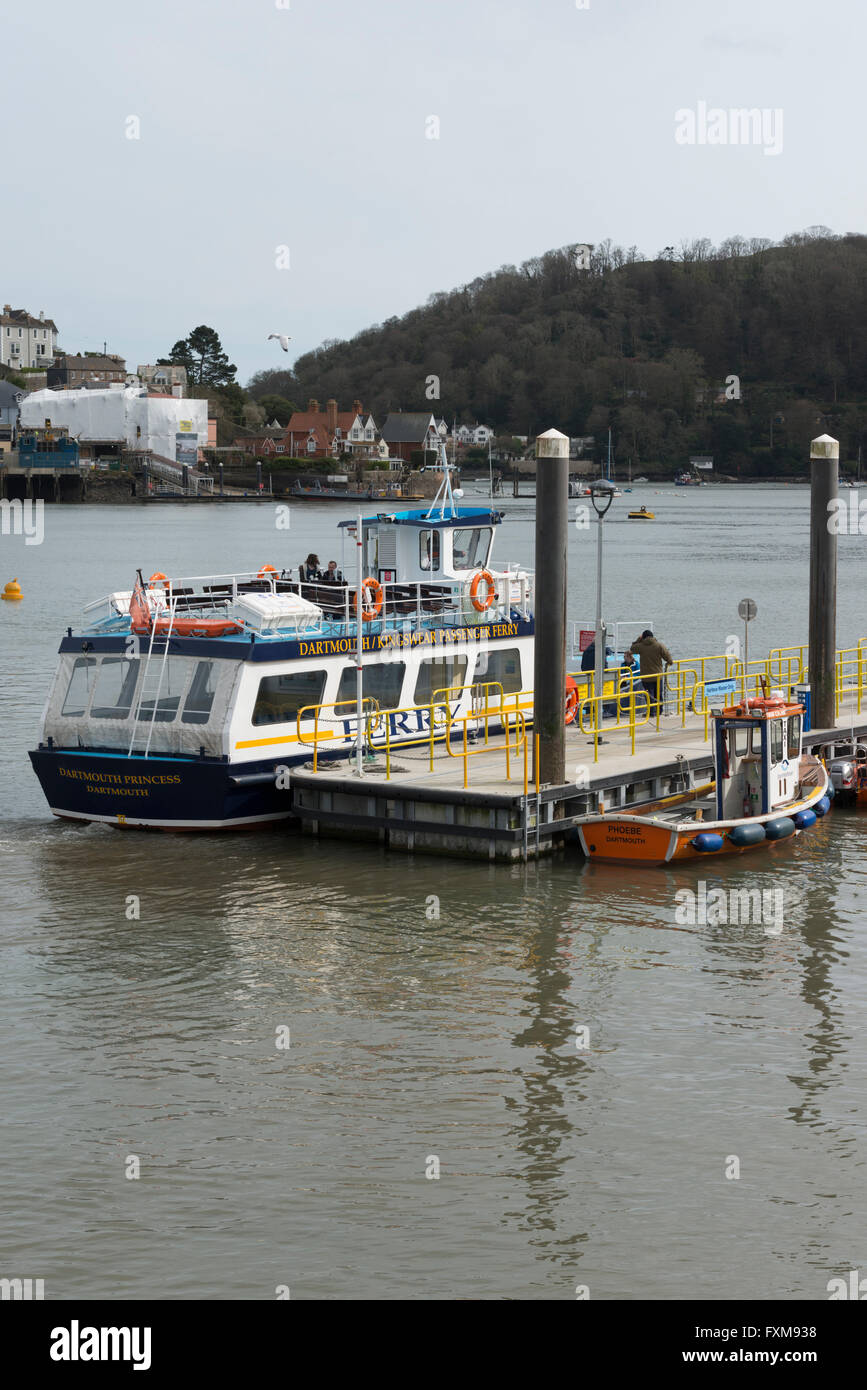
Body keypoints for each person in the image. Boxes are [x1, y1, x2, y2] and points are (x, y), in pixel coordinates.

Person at [627, 629, 673, 716]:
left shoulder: (640, 646)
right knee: (658, 694)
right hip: (657, 675)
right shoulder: (659, 645)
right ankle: (659, 711)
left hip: (646, 676)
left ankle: (651, 712)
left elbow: (632, 648)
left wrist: (638, 639)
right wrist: (670, 662)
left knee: (649, 695)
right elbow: (667, 656)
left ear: (643, 638)